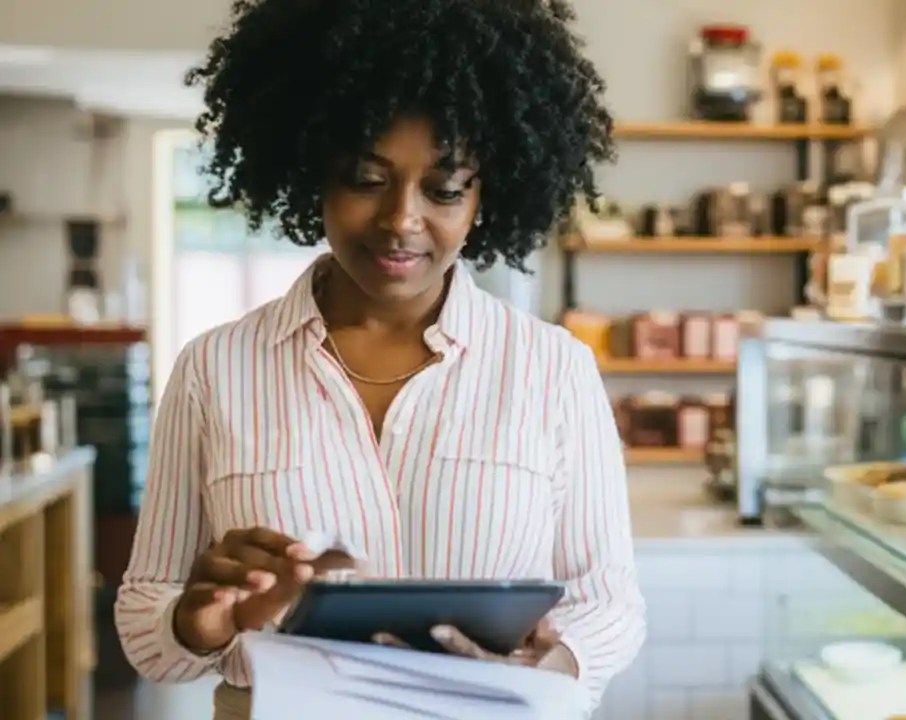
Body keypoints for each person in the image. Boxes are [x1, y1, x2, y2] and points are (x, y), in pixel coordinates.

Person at [114, 0, 645, 717]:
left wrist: (555, 659)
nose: (401, 219)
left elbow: (610, 600)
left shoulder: (553, 369)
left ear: (485, 196)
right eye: (366, 179)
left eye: (444, 188)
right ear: (313, 176)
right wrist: (201, 618)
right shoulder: (216, 368)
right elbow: (146, 623)